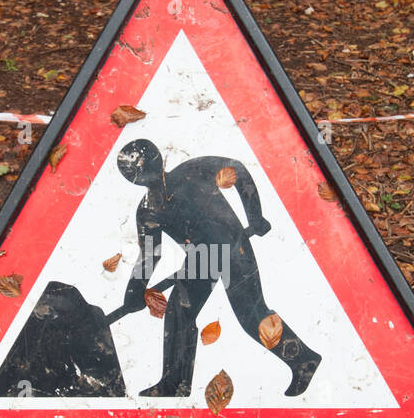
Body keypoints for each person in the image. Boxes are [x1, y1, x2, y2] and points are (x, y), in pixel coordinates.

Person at [116, 138, 321, 398]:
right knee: (179, 314)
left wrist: (254, 216)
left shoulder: (191, 171)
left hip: (232, 247)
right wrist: (134, 292)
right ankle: (175, 383)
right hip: (201, 258)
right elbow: (150, 254)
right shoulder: (148, 210)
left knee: (252, 315)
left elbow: (238, 170)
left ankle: (304, 360)